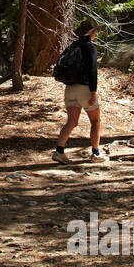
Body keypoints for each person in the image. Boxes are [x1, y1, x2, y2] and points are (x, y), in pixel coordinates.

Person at [52, 19, 108, 163]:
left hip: (69, 89)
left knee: (71, 122)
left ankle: (59, 151)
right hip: (84, 88)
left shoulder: (72, 46)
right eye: (95, 31)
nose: (96, 33)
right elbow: (92, 71)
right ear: (91, 33)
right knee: (95, 121)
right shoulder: (90, 47)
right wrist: (93, 92)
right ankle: (95, 153)